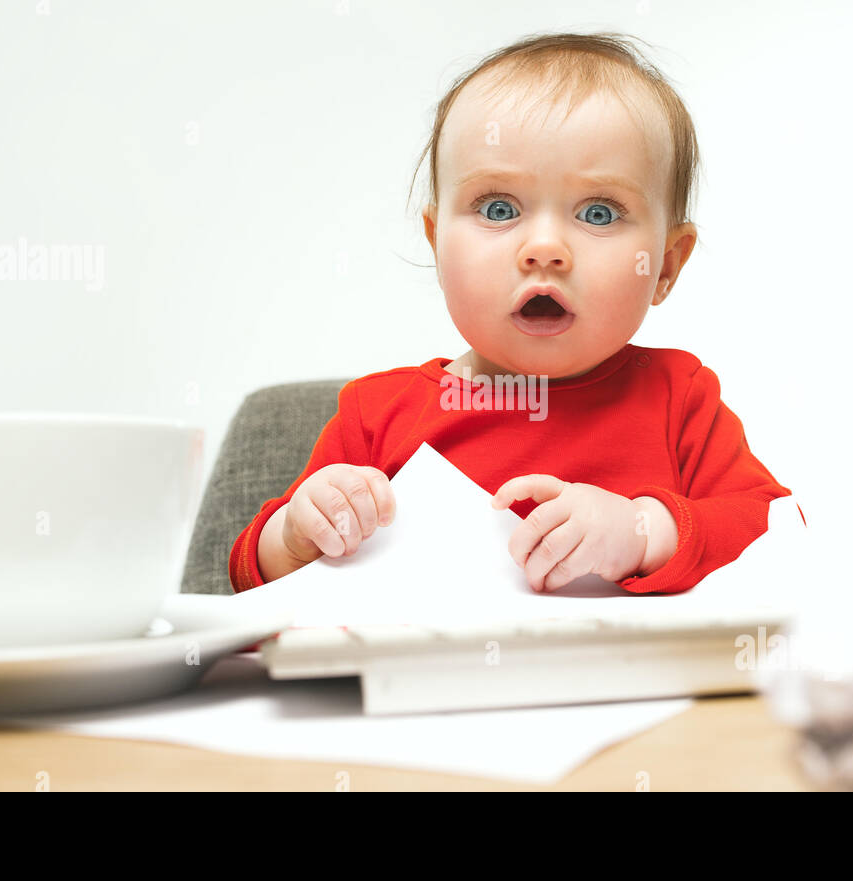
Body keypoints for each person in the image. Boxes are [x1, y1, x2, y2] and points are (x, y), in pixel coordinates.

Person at [229, 32, 791, 596]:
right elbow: (254, 582)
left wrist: (646, 530)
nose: (545, 248)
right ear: (436, 242)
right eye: (498, 208)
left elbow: (779, 536)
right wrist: (296, 534)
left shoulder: (680, 401)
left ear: (665, 265)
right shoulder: (374, 416)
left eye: (598, 212)